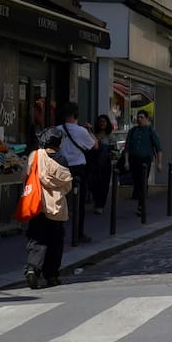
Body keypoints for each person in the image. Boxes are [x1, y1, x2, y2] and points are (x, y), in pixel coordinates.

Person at [24, 129, 73, 290]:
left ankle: (32, 269)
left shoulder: (35, 156)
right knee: (55, 241)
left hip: (37, 204)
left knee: (36, 238)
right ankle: (51, 275)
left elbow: (25, 175)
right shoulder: (62, 160)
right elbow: (67, 185)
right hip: (56, 206)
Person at [58, 101, 97, 243]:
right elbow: (95, 145)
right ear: (76, 115)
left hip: (61, 168)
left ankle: (58, 232)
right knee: (79, 202)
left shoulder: (57, 130)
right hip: (78, 169)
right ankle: (78, 233)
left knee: (59, 201)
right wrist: (90, 131)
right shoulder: (82, 131)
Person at [124, 110, 163, 215]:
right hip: (134, 160)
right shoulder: (132, 131)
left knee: (143, 182)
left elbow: (158, 148)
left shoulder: (150, 131)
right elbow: (127, 148)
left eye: (141, 117)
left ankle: (141, 205)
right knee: (136, 182)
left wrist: (159, 163)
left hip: (145, 160)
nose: (139, 119)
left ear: (146, 119)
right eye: (138, 117)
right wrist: (126, 161)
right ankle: (139, 197)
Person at [87, 113, 116, 215]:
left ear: (107, 123)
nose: (102, 123)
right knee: (94, 184)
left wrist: (110, 155)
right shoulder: (94, 134)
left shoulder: (111, 136)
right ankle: (97, 202)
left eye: (104, 122)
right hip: (94, 164)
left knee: (104, 185)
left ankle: (100, 205)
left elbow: (115, 151)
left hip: (105, 164)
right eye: (100, 122)